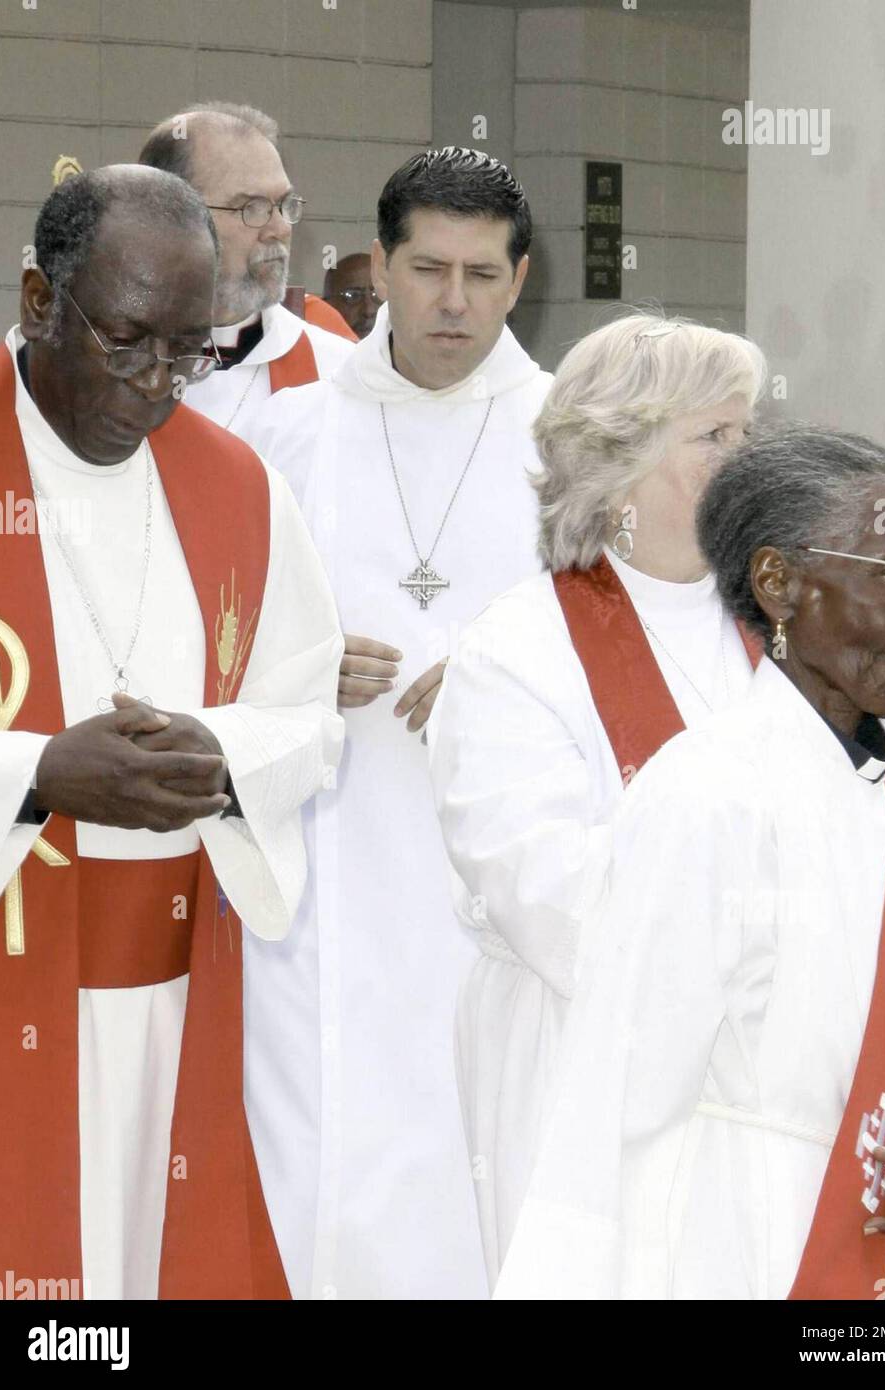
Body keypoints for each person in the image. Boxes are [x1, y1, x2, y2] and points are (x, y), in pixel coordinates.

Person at [494, 426, 885, 1300]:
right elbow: (613, 1084)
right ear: (779, 581)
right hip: (713, 1241)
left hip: (854, 1252)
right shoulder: (711, 792)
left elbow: (830, 1025)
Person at [0, 165, 345, 1300]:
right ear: (41, 300)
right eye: (128, 339)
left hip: (182, 999)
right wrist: (34, 772)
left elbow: (307, 707)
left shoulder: (239, 486)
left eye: (192, 350)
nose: (156, 386)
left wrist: (224, 760)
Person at [242, 146, 552, 1300]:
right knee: (339, 1166)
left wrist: (504, 671)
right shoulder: (290, 436)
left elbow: (637, 658)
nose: (454, 302)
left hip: (499, 880)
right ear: (380, 265)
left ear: (521, 280)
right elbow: (218, 654)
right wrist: (300, 669)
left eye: (482, 273)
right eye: (428, 269)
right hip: (334, 875)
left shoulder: (572, 444)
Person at [427, 312, 767, 1286]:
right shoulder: (513, 654)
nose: (746, 465)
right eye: (714, 438)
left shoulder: (776, 639)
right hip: (583, 1070)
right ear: (614, 460)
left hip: (760, 1091)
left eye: (748, 436)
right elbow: (551, 896)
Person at [138, 101, 354, 434]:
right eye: (252, 207)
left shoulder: (341, 373)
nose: (280, 228)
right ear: (168, 216)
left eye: (285, 204)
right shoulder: (105, 363)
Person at [323, 252, 380, 339]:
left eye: (377, 294)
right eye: (353, 296)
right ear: (326, 305)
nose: (369, 311)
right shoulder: (312, 350)